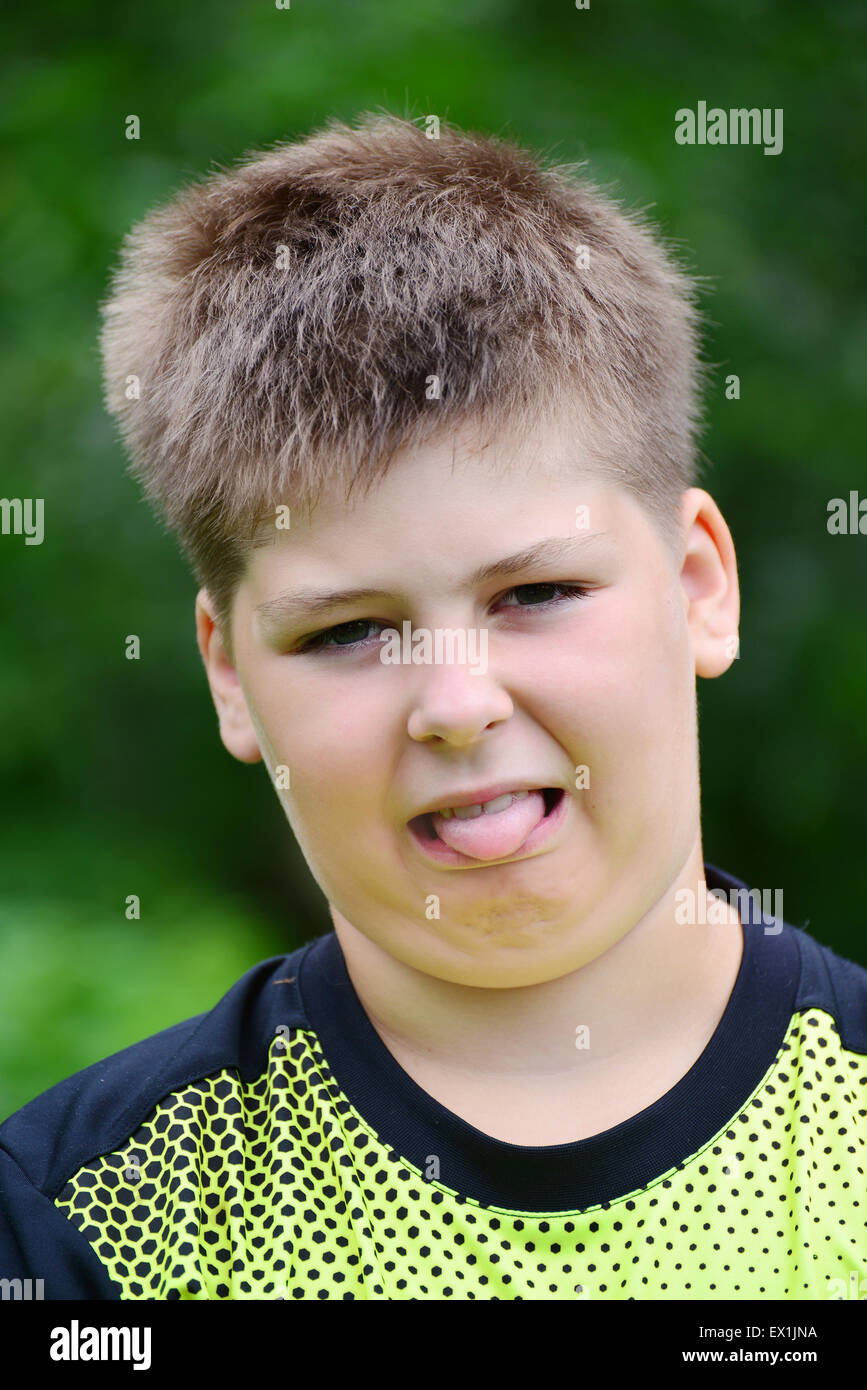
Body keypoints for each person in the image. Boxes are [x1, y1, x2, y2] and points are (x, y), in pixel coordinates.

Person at [1, 112, 864, 1301]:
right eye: (347, 631)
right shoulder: (74, 1225)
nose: (457, 707)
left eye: (539, 592)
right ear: (232, 675)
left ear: (698, 585)